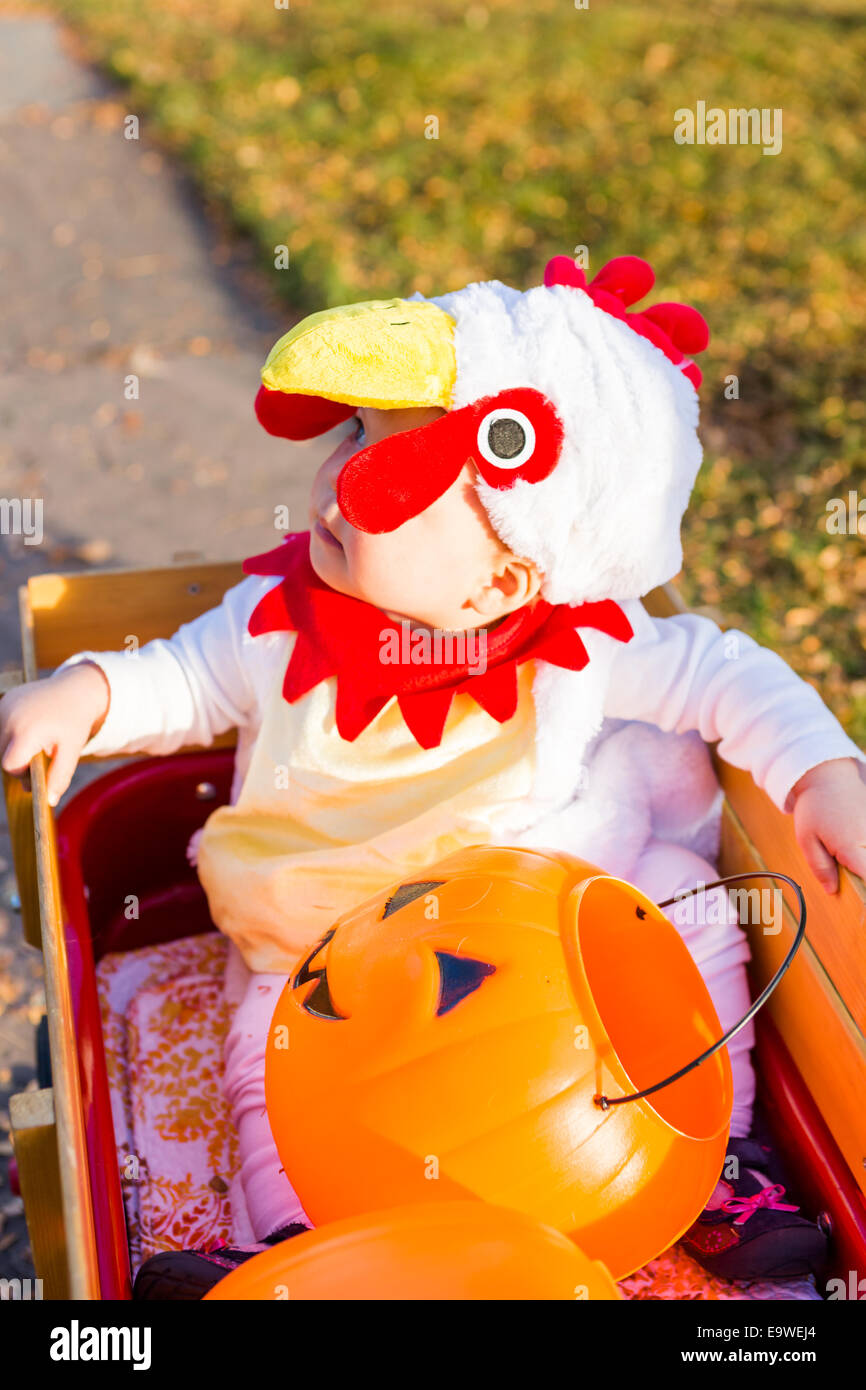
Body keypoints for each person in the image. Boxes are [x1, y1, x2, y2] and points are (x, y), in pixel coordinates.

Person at [2, 254, 864, 1297]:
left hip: (535, 927)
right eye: (351, 434)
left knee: (689, 917)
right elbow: (185, 677)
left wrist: (817, 770)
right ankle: (288, 1234)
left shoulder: (581, 648)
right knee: (263, 1036)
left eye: (383, 471)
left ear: (504, 574)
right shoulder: (281, 622)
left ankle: (712, 1160)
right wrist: (91, 690)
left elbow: (727, 677)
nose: (332, 477)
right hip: (335, 929)